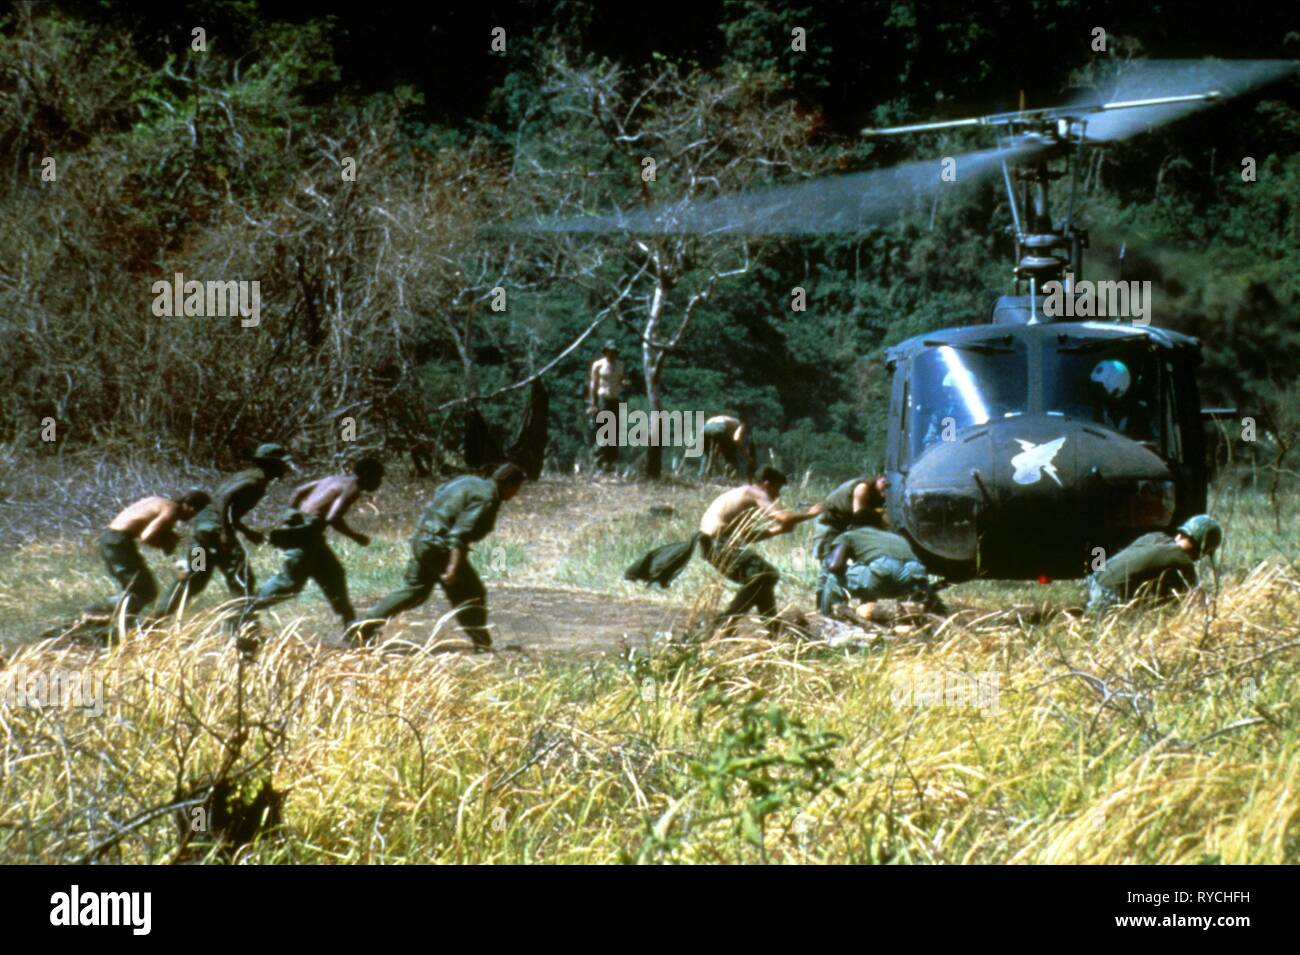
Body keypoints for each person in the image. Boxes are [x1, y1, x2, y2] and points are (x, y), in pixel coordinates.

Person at [625, 467, 821, 635]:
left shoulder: (741, 497)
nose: (777, 496)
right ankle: (726, 622)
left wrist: (777, 531)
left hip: (715, 544)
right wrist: (811, 513)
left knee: (762, 578)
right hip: (717, 543)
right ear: (767, 484)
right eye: (777, 490)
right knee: (765, 575)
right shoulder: (755, 492)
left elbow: (743, 535)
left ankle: (771, 627)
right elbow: (784, 518)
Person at [353, 463, 527, 648]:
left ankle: (363, 627)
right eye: (517, 488)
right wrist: (452, 569)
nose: (516, 493)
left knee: (415, 590)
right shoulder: (487, 499)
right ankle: (481, 642)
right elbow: (459, 535)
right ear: (509, 484)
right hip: (438, 547)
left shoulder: (468, 481)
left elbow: (439, 492)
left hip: (422, 538)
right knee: (472, 592)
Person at [157, 442, 293, 617]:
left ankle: (155, 618)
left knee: (195, 577)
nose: (285, 468)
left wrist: (245, 531)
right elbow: (224, 501)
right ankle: (241, 627)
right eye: (282, 464)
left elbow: (225, 509)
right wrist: (225, 533)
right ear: (271, 464)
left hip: (202, 533)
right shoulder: (255, 481)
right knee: (241, 579)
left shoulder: (245, 476)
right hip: (215, 532)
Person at [253, 457, 385, 625]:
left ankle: (350, 625)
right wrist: (356, 536)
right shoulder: (353, 487)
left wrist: (291, 515)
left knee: (334, 574)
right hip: (306, 536)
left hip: (311, 536)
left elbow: (299, 491)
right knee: (289, 583)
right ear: (366, 475)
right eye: (378, 477)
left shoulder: (332, 479)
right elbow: (333, 517)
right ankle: (241, 610)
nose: (379, 482)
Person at [86, 489, 211, 623]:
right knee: (145, 591)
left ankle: (121, 626)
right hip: (118, 542)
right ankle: (96, 611)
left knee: (135, 589)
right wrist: (166, 544)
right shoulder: (172, 510)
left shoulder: (159, 501)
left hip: (111, 539)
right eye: (194, 514)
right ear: (191, 508)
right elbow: (147, 536)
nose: (191, 519)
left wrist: (168, 542)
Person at [1085, 514, 1223, 613]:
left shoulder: (1155, 536)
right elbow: (1196, 603)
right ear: (1202, 551)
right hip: (1110, 598)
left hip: (1094, 580)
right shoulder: (1183, 561)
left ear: (1181, 533)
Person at [818, 526, 944, 616]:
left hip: (883, 570)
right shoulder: (897, 537)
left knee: (832, 576)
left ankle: (827, 618)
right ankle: (941, 617)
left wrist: (828, 557)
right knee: (871, 574)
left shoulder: (850, 534)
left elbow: (834, 565)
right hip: (914, 574)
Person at [588, 340, 627, 472]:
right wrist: (593, 403)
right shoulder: (598, 365)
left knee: (614, 433)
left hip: (615, 399)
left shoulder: (621, 365)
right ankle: (598, 462)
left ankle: (611, 464)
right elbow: (593, 384)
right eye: (609, 351)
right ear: (605, 351)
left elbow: (623, 379)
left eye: (614, 352)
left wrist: (625, 382)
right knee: (602, 431)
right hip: (602, 399)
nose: (612, 354)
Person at [699, 414, 754, 479]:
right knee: (730, 454)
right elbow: (737, 439)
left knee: (707, 454)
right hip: (718, 428)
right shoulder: (740, 425)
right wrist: (746, 455)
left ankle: (702, 474)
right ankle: (731, 474)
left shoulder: (728, 421)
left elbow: (718, 446)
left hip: (705, 428)